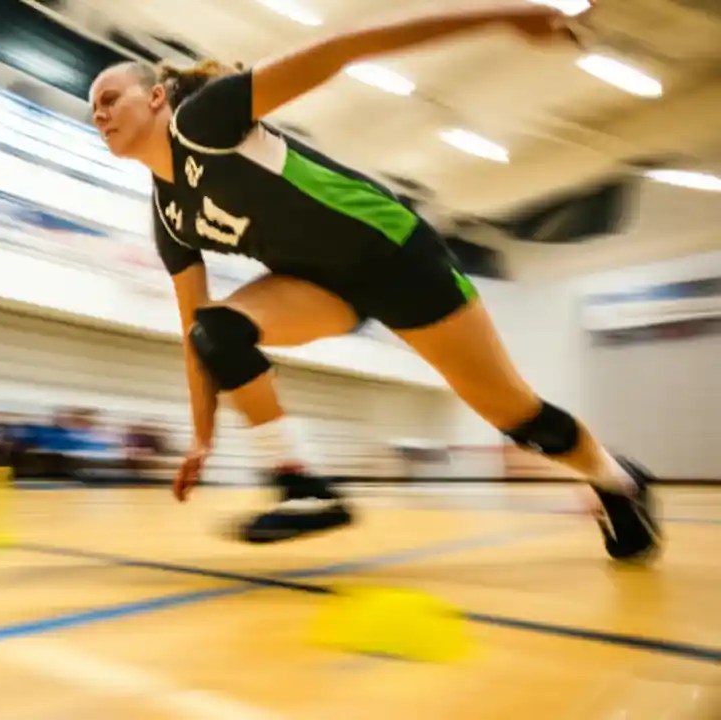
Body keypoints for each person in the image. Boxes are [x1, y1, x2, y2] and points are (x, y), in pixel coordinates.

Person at [86, 4, 661, 561]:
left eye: (110, 98)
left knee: (517, 416)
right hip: (319, 288)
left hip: (394, 255)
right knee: (214, 333)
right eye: (93, 110)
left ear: (157, 96)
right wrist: (202, 438)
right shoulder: (169, 217)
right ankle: (301, 484)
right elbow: (193, 331)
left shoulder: (205, 120)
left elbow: (347, 47)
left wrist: (503, 15)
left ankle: (617, 479)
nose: (100, 113)